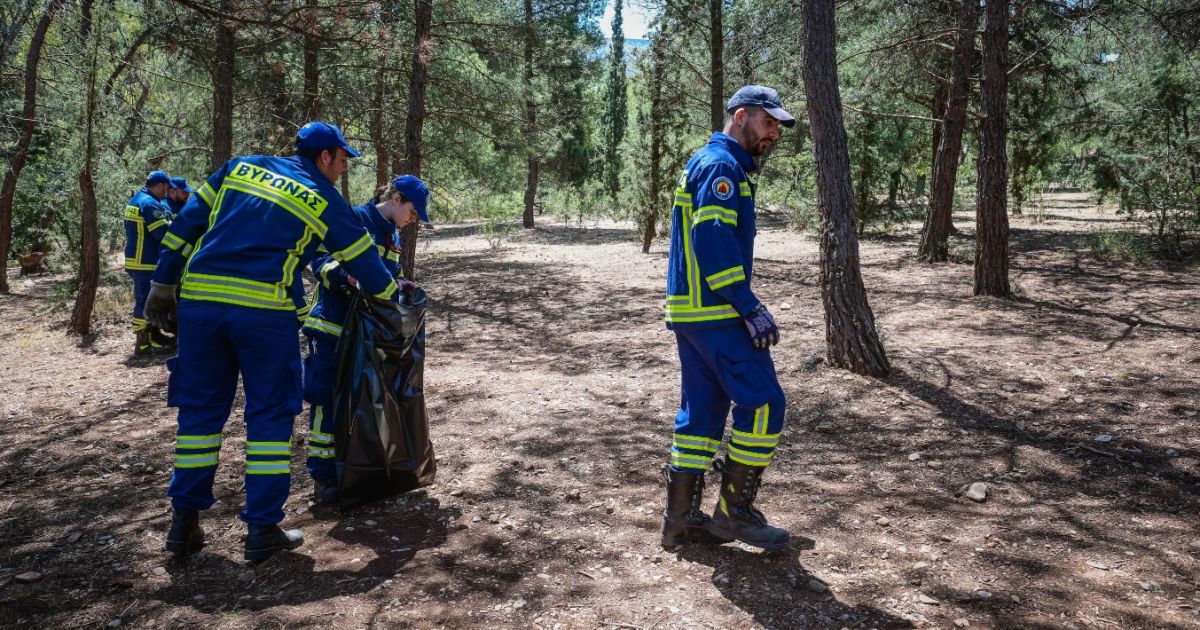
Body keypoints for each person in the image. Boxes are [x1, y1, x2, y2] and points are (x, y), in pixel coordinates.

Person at [144, 121, 400, 562]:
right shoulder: (323, 196)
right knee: (269, 418)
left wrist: (162, 284)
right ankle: (262, 528)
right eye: (342, 160)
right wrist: (398, 300)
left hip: (201, 307)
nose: (342, 169)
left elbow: (186, 224)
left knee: (200, 417)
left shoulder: (238, 168)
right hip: (264, 314)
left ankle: (183, 524)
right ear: (324, 156)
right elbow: (367, 265)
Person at [660, 85, 795, 551]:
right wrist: (749, 306)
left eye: (778, 125)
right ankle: (734, 514)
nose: (775, 132)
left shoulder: (713, 162)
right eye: (768, 121)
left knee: (703, 411)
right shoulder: (721, 166)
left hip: (690, 312)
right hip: (716, 312)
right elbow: (713, 242)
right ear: (740, 116)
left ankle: (680, 521)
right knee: (763, 404)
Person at [302, 174, 429, 504]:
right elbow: (317, 260)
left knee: (363, 400)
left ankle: (354, 469)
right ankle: (323, 475)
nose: (413, 219)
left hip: (365, 336)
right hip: (331, 327)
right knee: (326, 398)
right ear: (397, 198)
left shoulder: (392, 235)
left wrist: (400, 284)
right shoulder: (355, 219)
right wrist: (346, 277)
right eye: (414, 212)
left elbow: (387, 274)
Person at [123, 170, 175, 357]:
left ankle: (153, 337)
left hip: (140, 259)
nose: (167, 193)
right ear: (160, 185)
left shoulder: (140, 199)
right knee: (145, 301)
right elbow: (162, 233)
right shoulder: (149, 203)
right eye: (167, 188)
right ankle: (143, 344)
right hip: (145, 261)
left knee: (148, 300)